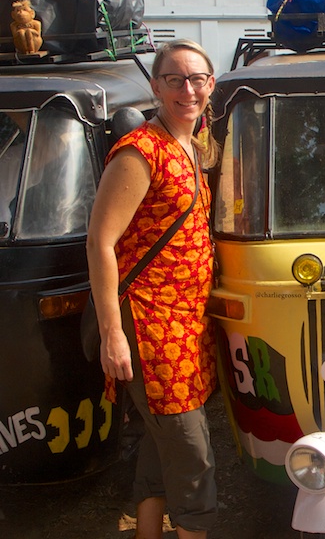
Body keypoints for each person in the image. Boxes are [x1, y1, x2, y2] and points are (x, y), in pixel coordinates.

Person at [86, 38, 220, 539]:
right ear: (155, 87)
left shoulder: (193, 143)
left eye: (197, 79)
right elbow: (100, 243)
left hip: (186, 325)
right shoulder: (141, 150)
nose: (188, 89)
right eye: (175, 79)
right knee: (193, 455)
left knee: (160, 442)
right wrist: (111, 334)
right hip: (149, 326)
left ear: (211, 85)